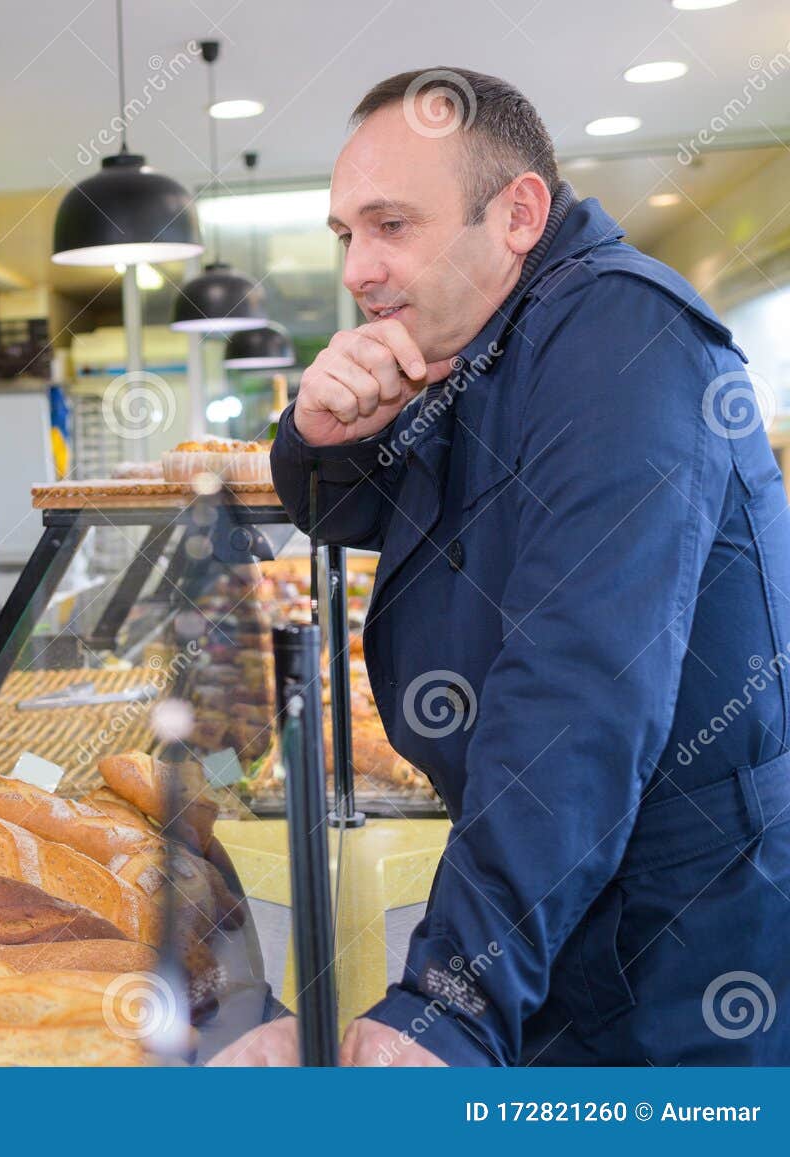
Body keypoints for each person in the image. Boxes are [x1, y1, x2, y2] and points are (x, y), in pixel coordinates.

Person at [214, 68, 790, 1066]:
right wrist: (316, 437)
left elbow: (578, 689)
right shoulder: (486, 340)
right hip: (569, 873)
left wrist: (451, 997)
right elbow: (357, 510)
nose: (357, 267)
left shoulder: (621, 341)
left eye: (390, 224)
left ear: (518, 212)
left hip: (687, 915)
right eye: (345, 232)